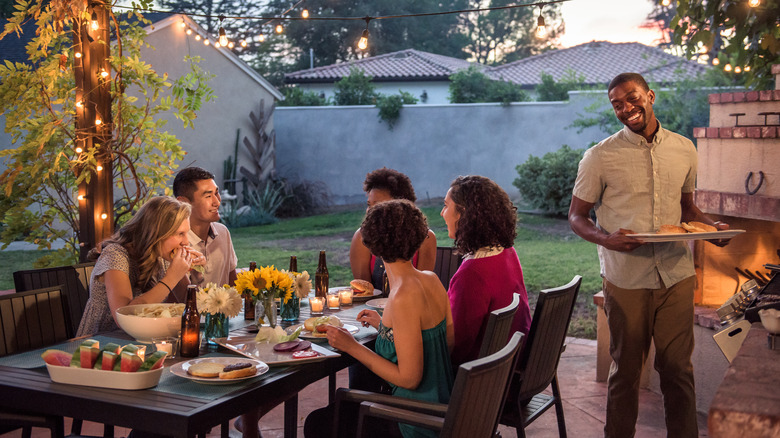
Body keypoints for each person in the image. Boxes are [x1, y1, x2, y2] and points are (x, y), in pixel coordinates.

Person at [568, 72, 731, 438]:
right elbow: (576, 217)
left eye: (632, 98)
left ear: (650, 96)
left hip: (676, 274)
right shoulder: (599, 156)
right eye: (617, 104)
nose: (626, 108)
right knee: (626, 371)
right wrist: (606, 240)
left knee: (678, 370)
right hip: (626, 277)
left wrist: (713, 229)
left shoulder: (684, 149)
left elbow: (687, 208)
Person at [305, 200, 454, 438]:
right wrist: (387, 327)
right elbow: (447, 343)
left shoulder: (401, 296)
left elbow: (410, 379)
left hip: (413, 423)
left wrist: (352, 347)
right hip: (444, 412)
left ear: (374, 246)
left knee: (318, 423)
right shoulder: (431, 279)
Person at [76, 196, 205, 336]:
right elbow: (124, 317)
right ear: (156, 233)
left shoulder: (162, 255)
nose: (186, 242)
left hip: (144, 337)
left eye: (187, 233)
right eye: (180, 234)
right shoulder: (115, 255)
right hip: (102, 340)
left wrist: (196, 274)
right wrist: (171, 278)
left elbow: (189, 305)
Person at [441, 175, 531, 368]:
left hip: (479, 377)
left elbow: (456, 346)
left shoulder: (471, 274)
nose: (442, 213)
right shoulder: (506, 251)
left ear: (462, 214)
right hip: (510, 364)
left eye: (446, 206)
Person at [349, 168, 436, 292]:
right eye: (369, 205)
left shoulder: (426, 238)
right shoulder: (361, 237)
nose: (369, 210)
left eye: (377, 205)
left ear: (401, 206)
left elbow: (422, 288)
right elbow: (364, 292)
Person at [173, 166, 238, 286]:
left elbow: (234, 284)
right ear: (183, 202)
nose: (217, 202)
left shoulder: (223, 232)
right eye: (208, 196)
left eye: (216, 193)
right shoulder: (174, 243)